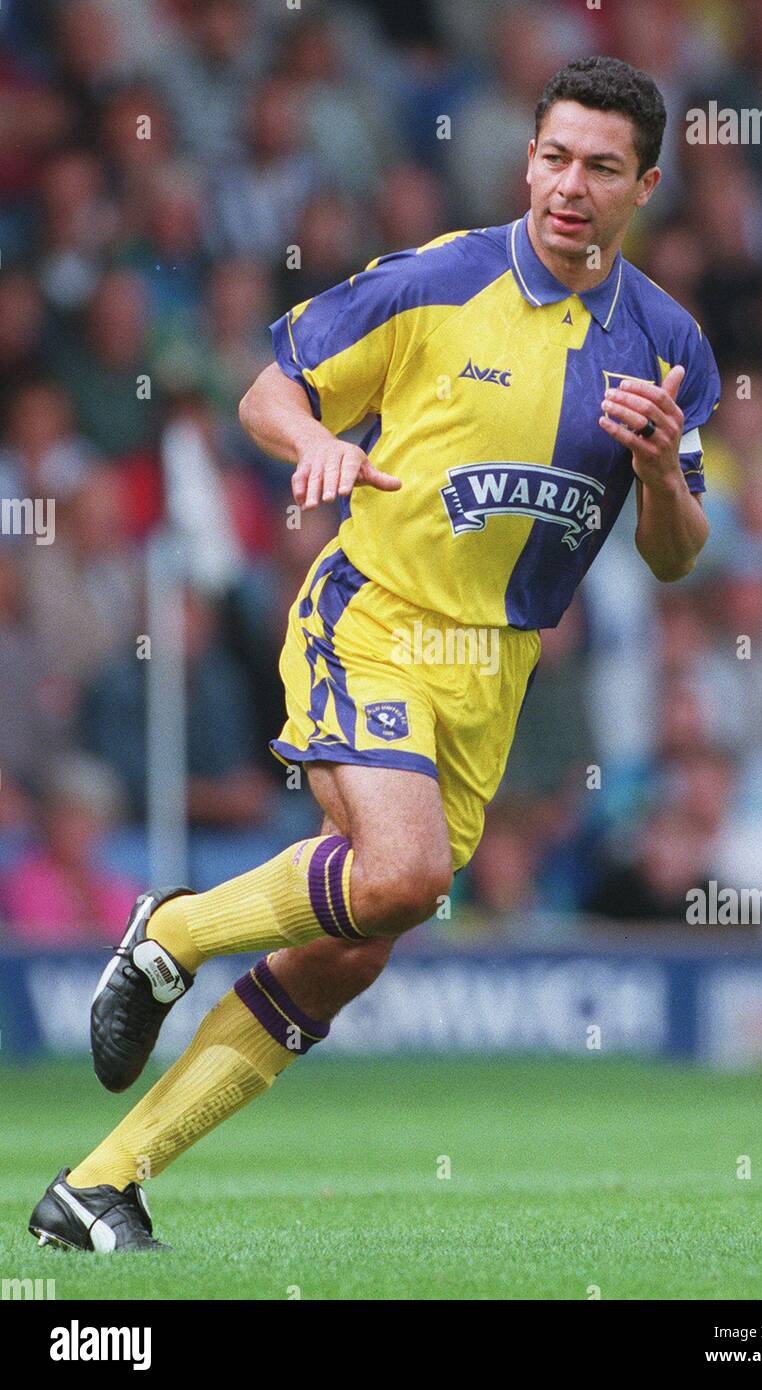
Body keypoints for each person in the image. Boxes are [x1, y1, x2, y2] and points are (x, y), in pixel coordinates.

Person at [30, 56, 719, 1253]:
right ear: (526, 159)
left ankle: (99, 1185)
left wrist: (661, 472)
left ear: (642, 183)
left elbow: (673, 557)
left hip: (494, 672)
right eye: (553, 156)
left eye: (600, 167)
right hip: (373, 616)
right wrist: (316, 444)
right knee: (398, 876)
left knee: (351, 950)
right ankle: (171, 933)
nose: (569, 185)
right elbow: (266, 391)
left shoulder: (667, 347)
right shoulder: (437, 280)